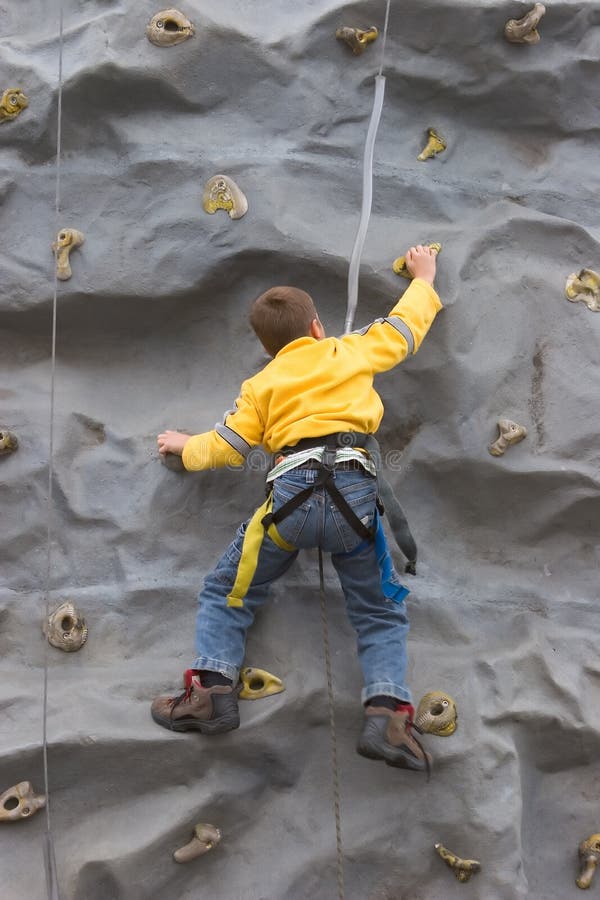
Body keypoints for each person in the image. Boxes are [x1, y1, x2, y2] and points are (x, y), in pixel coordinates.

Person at [152, 245, 442, 772]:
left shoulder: (260, 385)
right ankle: (389, 716)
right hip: (355, 499)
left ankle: (212, 693)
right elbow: (404, 329)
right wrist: (424, 277)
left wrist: (182, 445)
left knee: (227, 591)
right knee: (378, 610)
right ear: (316, 326)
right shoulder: (349, 351)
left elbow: (226, 446)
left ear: (267, 348)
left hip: (289, 499)